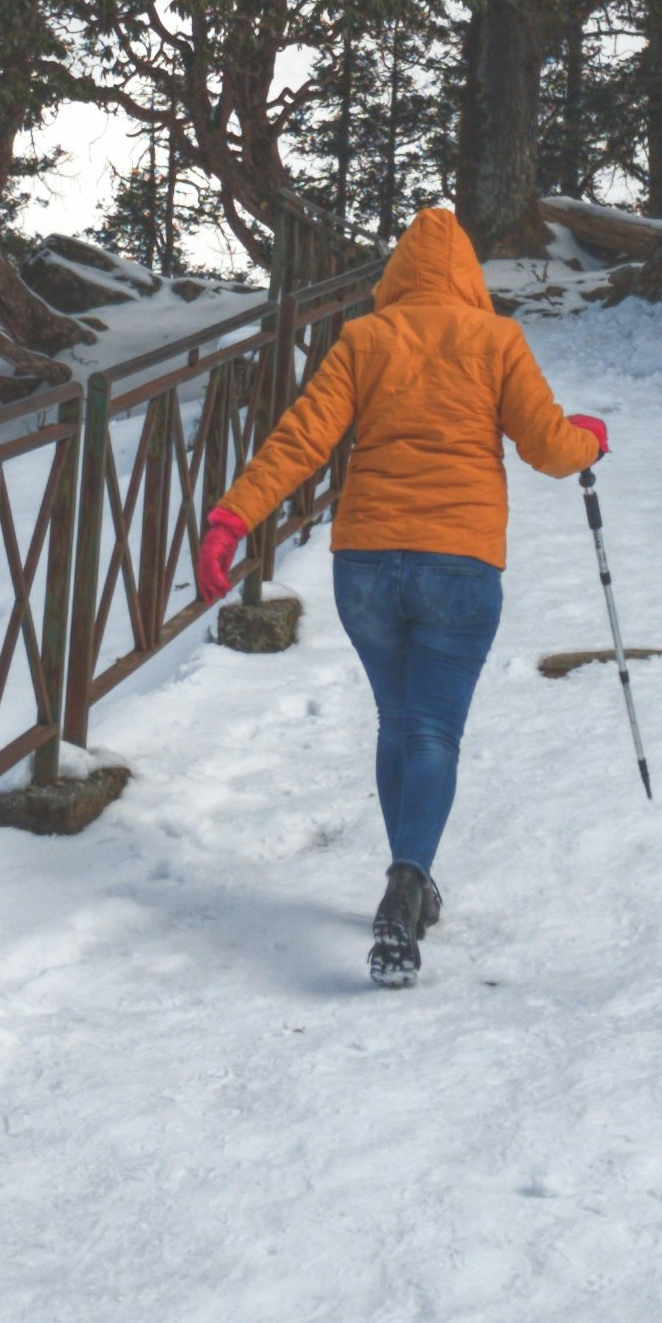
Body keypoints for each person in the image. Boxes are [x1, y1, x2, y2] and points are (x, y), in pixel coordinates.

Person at [194, 204, 607, 987]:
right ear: (466, 276)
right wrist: (589, 435)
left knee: (399, 721)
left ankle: (408, 884)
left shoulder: (365, 340)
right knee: (433, 732)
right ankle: (407, 881)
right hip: (460, 567)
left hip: (368, 570)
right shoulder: (496, 340)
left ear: (396, 274)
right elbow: (550, 447)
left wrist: (231, 518)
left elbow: (301, 437)